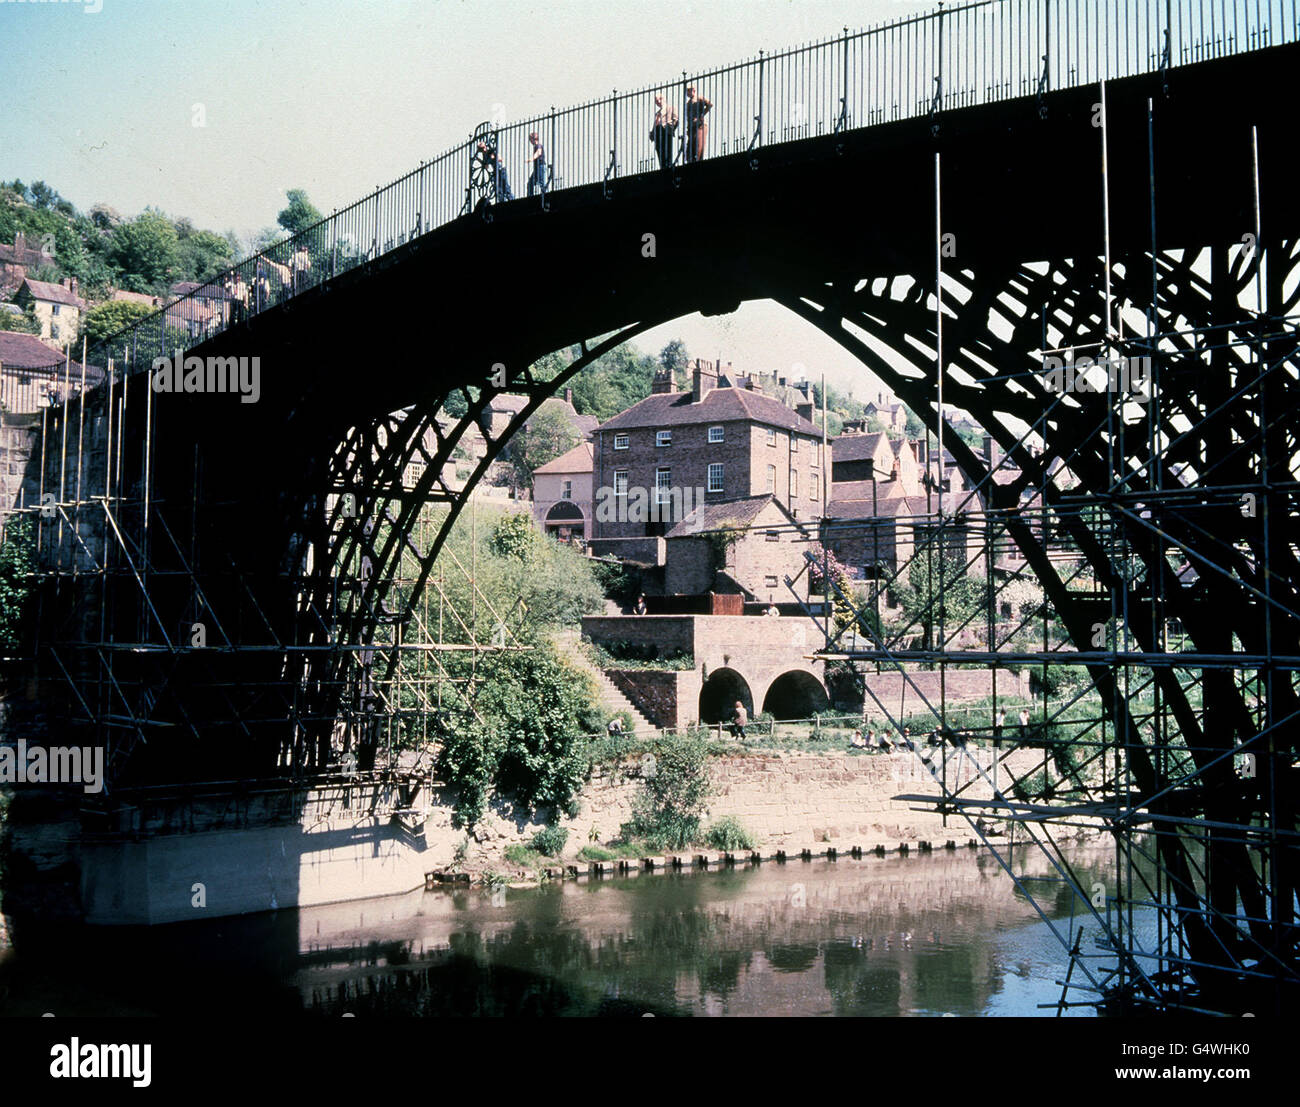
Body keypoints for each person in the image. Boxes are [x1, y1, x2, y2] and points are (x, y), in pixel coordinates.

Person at [650, 92, 678, 169]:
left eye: (660, 99)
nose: (658, 102)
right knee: (660, 152)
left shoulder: (671, 108)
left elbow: (675, 120)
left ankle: (668, 166)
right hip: (658, 134)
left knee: (667, 152)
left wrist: (669, 129)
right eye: (656, 101)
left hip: (666, 132)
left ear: (664, 99)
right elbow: (655, 125)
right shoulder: (657, 113)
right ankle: (663, 167)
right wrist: (652, 133)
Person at [684, 85, 712, 163]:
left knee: (699, 147)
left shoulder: (699, 98)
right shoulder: (688, 103)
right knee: (690, 149)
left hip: (700, 126)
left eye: (688, 91)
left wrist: (701, 115)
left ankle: (698, 162)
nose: (687, 93)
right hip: (691, 127)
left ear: (693, 90)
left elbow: (710, 105)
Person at [524, 131, 547, 197]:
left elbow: (539, 153)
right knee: (530, 183)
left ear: (533, 139)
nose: (530, 141)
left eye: (530, 139)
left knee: (542, 183)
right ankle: (530, 197)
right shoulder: (536, 146)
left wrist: (531, 159)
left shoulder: (538, 145)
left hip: (540, 166)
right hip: (537, 167)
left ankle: (546, 197)